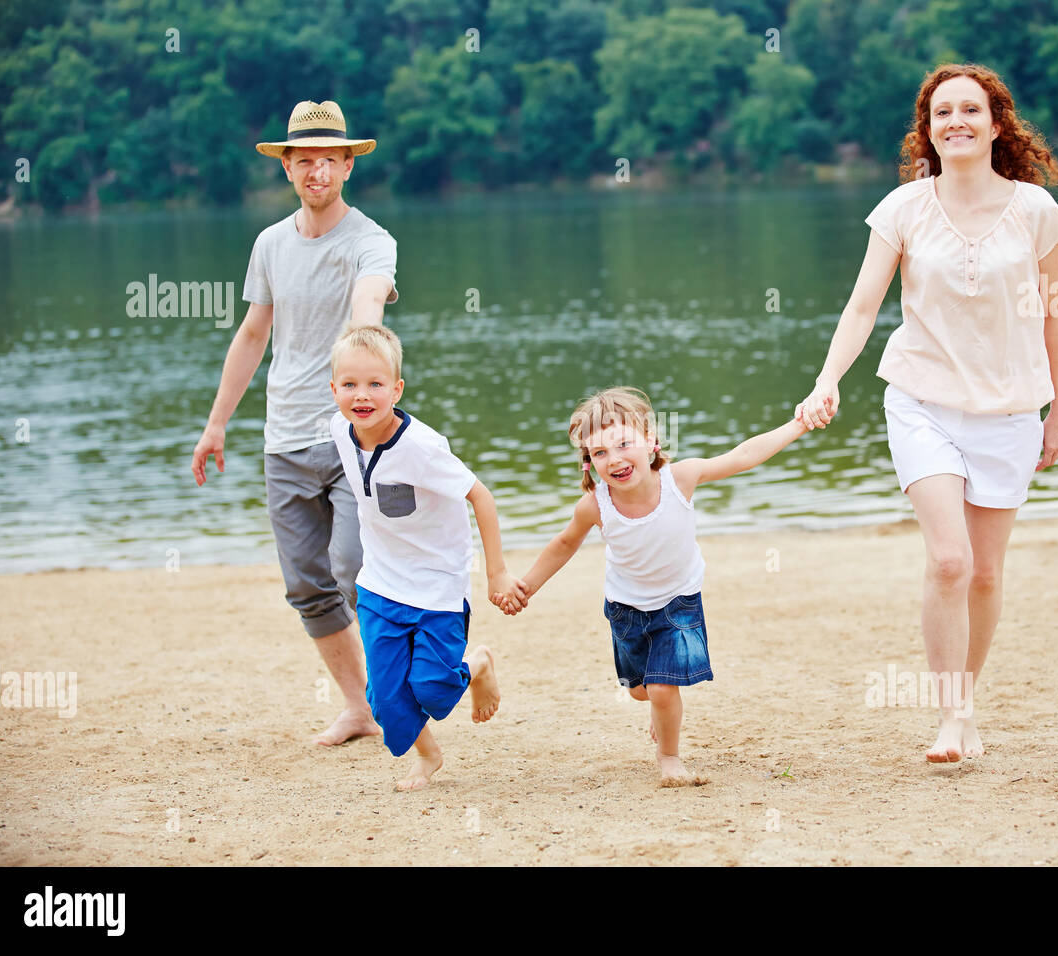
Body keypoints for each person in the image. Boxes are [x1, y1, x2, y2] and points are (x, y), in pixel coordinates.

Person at [796, 64, 1058, 763]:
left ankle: (966, 702)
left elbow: (1055, 316)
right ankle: (951, 717)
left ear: (995, 123)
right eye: (941, 111)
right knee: (949, 562)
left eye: (970, 110)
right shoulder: (904, 209)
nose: (956, 121)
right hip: (921, 400)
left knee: (985, 573)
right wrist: (827, 378)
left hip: (1011, 409)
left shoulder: (1037, 212)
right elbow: (863, 304)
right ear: (927, 128)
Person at [191, 101, 398, 746]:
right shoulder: (270, 243)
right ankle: (359, 707)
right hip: (281, 438)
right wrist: (216, 423)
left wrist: (364, 343)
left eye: (328, 160)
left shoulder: (370, 240)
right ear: (287, 167)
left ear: (346, 166)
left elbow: (368, 299)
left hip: (347, 434)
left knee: (354, 567)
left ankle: (422, 675)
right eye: (303, 159)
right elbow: (254, 332)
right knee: (307, 586)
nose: (316, 171)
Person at [495, 386, 810, 786]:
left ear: (651, 442)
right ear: (589, 463)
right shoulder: (596, 505)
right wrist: (527, 587)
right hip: (625, 610)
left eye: (624, 444)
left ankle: (669, 758)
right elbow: (564, 544)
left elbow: (743, 456)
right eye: (600, 453)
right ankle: (654, 706)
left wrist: (798, 425)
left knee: (662, 689)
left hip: (679, 603)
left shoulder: (680, 479)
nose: (615, 459)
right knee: (640, 690)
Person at [328, 324, 517, 790]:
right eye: (349, 384)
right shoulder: (338, 428)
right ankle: (427, 755)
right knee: (385, 700)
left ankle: (478, 665)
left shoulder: (423, 448)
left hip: (437, 585)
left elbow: (483, 498)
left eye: (375, 384)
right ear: (333, 389)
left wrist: (497, 574)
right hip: (379, 585)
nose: (362, 395)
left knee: (431, 688)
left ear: (397, 389)